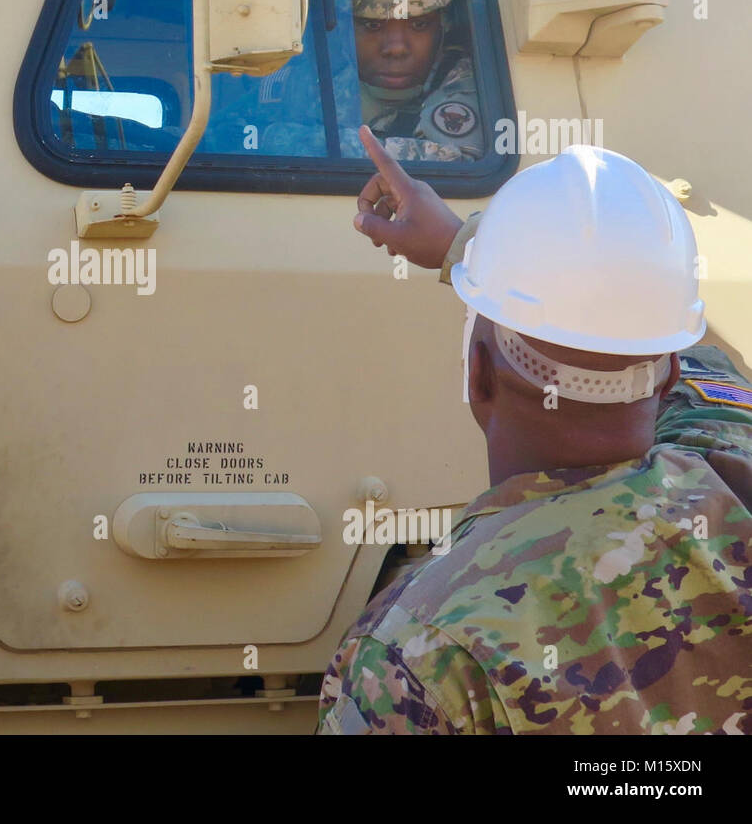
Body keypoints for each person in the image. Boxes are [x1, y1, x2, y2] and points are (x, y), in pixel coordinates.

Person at [316, 126, 752, 734]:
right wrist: (467, 248)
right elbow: (694, 372)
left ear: (479, 373)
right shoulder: (732, 473)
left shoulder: (419, 653)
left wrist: (471, 249)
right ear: (668, 375)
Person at [331, 0, 485, 163]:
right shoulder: (313, 78)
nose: (396, 48)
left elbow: (456, 164)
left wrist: (295, 140)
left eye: (418, 25)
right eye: (372, 25)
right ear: (340, 24)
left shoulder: (475, 83)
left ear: (444, 22)